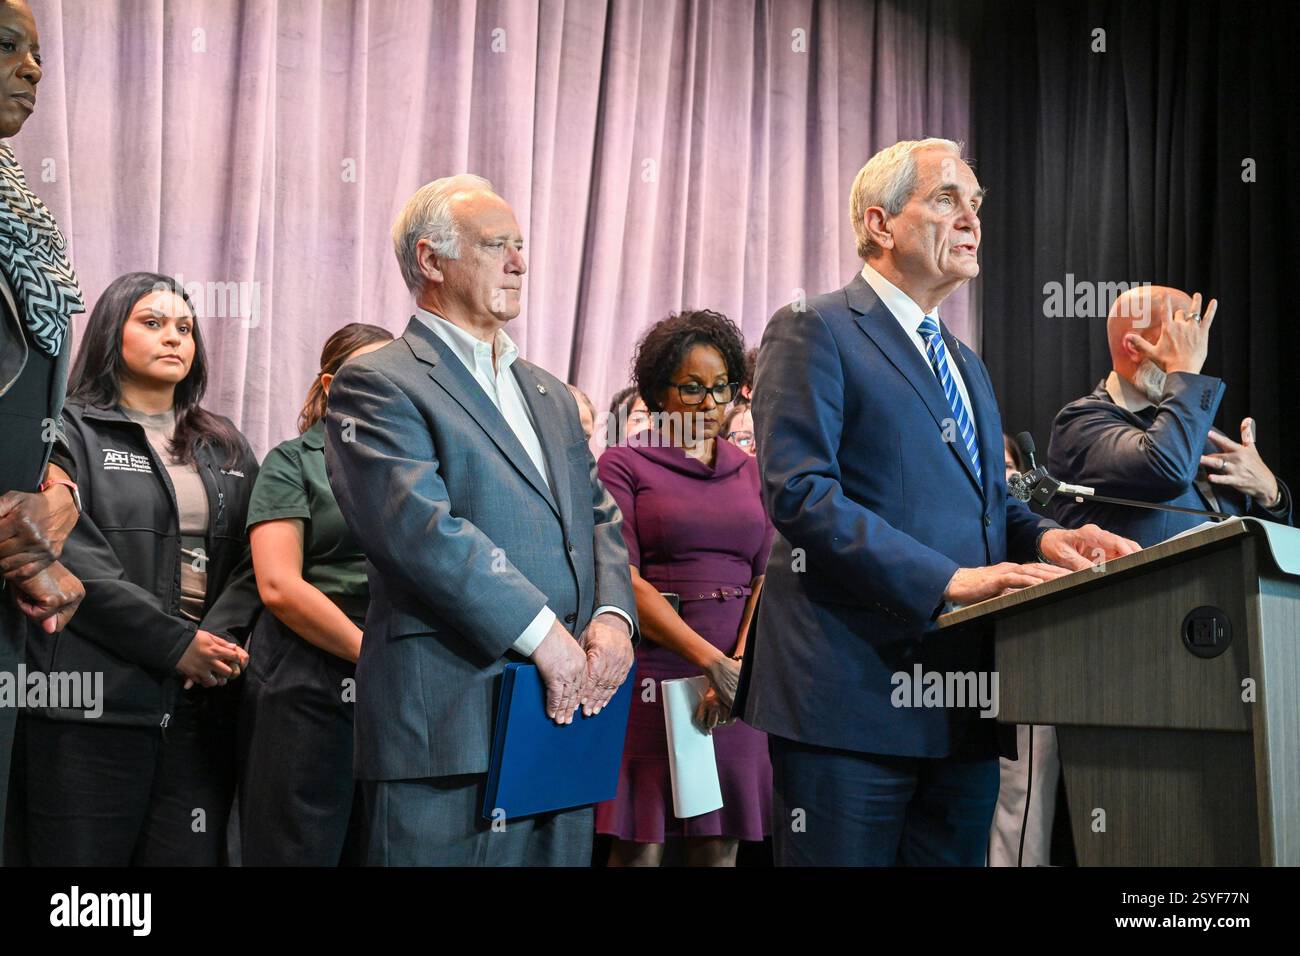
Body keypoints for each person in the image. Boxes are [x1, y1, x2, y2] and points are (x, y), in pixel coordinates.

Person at [737, 138, 1139, 866]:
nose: (972, 220)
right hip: (848, 699)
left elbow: (993, 504)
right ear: (880, 223)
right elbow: (800, 495)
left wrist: (1052, 540)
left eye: (977, 205)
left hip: (958, 705)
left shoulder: (965, 363)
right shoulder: (815, 327)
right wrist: (945, 580)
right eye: (948, 199)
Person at [325, 174, 638, 866]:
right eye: (497, 245)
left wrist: (614, 619)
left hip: (564, 719)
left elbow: (599, 518)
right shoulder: (378, 380)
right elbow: (421, 532)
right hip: (447, 723)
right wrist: (545, 638)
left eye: (521, 246)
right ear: (431, 261)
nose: (520, 262)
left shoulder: (552, 394)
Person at [20, 272, 262, 866]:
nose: (174, 338)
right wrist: (175, 643)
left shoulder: (224, 443)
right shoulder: (64, 430)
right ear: (111, 333)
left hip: (202, 705)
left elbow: (258, 558)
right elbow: (71, 556)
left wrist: (215, 646)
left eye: (185, 327)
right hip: (91, 704)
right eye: (152, 323)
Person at [595, 310, 773, 867]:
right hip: (654, 667)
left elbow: (767, 575)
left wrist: (735, 665)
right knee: (640, 848)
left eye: (721, 388)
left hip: (739, 673)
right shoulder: (623, 464)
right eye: (692, 388)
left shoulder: (751, 470)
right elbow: (622, 576)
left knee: (717, 849)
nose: (709, 403)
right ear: (657, 391)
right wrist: (709, 660)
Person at [238, 322, 392, 866]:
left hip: (397, 666)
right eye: (367, 376)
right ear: (329, 385)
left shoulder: (420, 467)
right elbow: (280, 586)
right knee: (299, 844)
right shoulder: (293, 461)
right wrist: (368, 655)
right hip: (308, 667)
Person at [0, 0, 85, 862]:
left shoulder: (20, 209)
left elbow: (42, 407)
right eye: (6, 46)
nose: (33, 69)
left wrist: (56, 493)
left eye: (38, 53)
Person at [1049, 286, 1291, 547]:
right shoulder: (1080, 423)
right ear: (1134, 346)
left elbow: (1273, 550)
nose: (1194, 350)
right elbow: (1167, 470)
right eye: (1180, 336)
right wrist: (1184, 370)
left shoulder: (1200, 430)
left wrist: (1272, 495)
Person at [987, 433, 1061, 867]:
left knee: (1022, 806)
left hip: (1022, 664)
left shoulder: (1031, 531)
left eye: (1007, 465)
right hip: (948, 681)